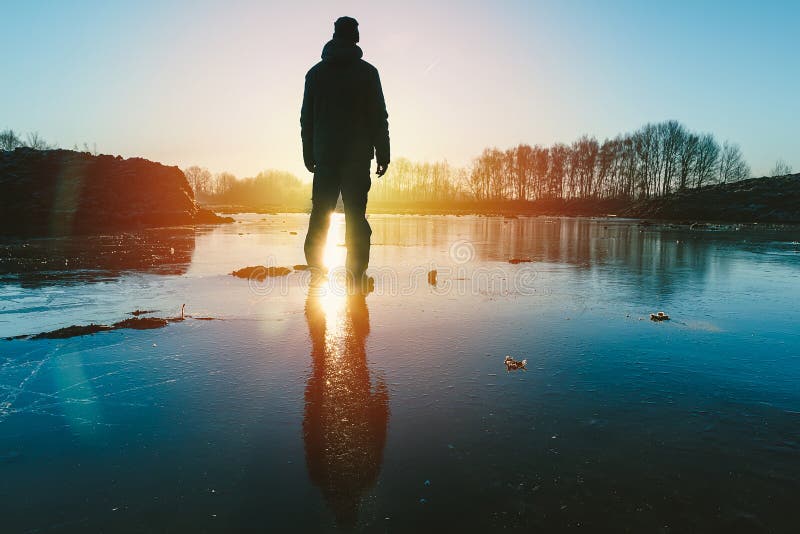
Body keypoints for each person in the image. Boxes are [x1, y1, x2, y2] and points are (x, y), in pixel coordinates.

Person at [301, 16, 390, 284]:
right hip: (356, 158)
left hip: (325, 157)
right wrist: (383, 152)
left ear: (334, 36)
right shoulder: (368, 73)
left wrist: (308, 152)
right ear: (355, 38)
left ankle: (317, 270)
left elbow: (307, 118)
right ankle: (356, 274)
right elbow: (378, 116)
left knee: (320, 214)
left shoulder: (315, 73)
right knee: (355, 216)